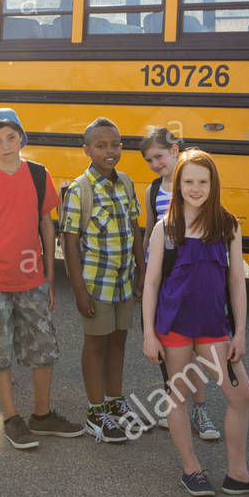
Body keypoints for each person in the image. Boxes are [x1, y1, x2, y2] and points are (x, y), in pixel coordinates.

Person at [142, 150, 249, 497]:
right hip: (173, 328)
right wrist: (148, 334)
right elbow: (152, 283)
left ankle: (238, 473)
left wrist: (241, 332)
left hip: (214, 327)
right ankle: (191, 468)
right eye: (189, 182)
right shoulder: (165, 227)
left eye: (203, 181)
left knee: (241, 395)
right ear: (178, 184)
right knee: (177, 397)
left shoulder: (227, 226)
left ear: (214, 184)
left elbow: (235, 283)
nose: (196, 188)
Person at [0, 108, 84, 450]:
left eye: (11, 137)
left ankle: (42, 416)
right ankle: (12, 418)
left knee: (44, 349)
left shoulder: (39, 175)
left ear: (21, 138)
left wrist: (50, 277)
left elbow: (46, 224)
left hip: (32, 280)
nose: (5, 145)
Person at [62, 117, 144, 443]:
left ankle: (114, 401)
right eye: (101, 145)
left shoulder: (125, 182)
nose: (110, 151)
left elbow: (136, 229)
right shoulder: (79, 190)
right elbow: (68, 243)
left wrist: (141, 268)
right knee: (96, 344)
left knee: (118, 341)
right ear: (87, 150)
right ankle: (96, 413)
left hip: (124, 281)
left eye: (115, 144)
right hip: (96, 283)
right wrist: (79, 290)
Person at [139, 127, 214, 439]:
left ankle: (201, 408)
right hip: (166, 274)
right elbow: (148, 236)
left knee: (195, 346)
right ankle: (175, 404)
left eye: (159, 155)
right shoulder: (154, 190)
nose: (156, 164)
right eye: (149, 160)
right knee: (169, 347)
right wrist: (144, 277)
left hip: (195, 275)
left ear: (175, 149)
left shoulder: (191, 185)